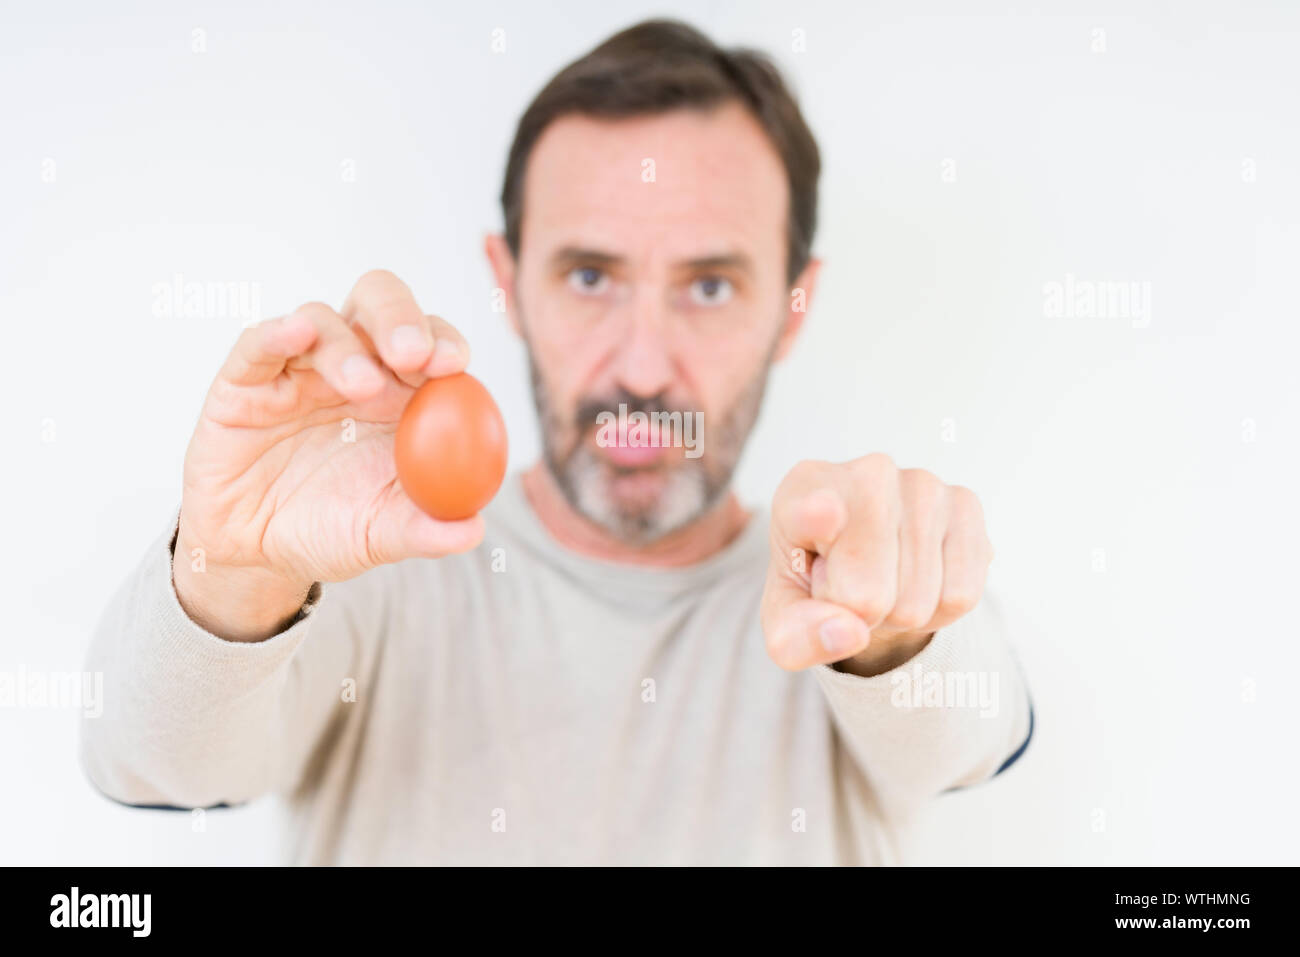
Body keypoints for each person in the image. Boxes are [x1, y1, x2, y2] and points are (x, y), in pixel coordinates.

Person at [81, 18, 1032, 865]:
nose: (645, 367)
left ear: (794, 308)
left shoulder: (848, 591)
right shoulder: (366, 566)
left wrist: (893, 631)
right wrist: (238, 569)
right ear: (511, 282)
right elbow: (155, 764)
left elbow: (968, 735)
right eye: (589, 276)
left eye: (709, 286)